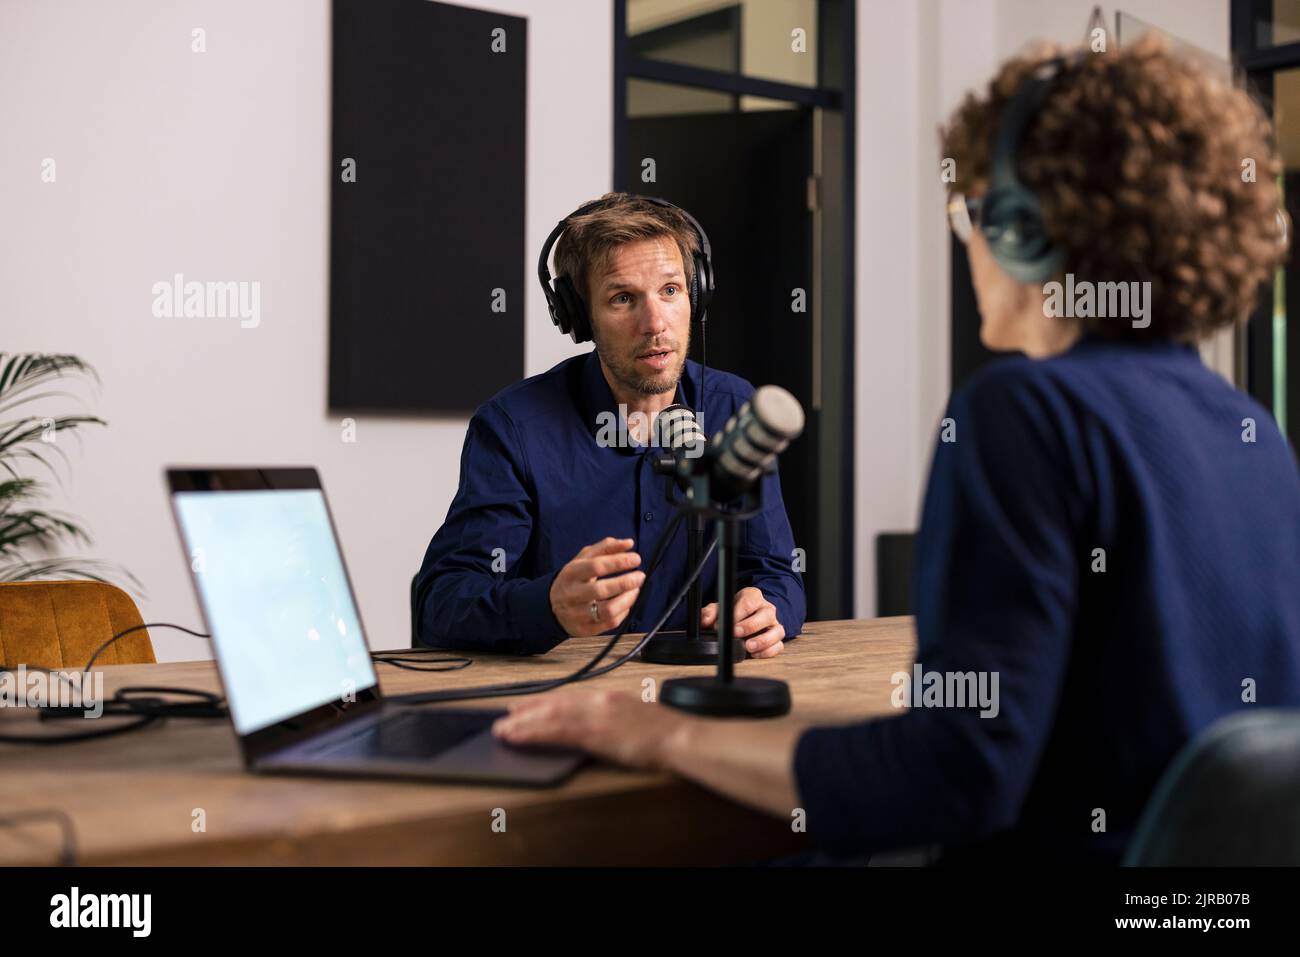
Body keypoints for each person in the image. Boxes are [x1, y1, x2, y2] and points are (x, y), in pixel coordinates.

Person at [491, 37, 1300, 864]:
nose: (967, 242)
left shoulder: (1025, 412)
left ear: (1021, 230)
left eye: (972, 212)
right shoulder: (1251, 432)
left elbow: (954, 773)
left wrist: (660, 733)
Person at [414, 193, 805, 657]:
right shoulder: (513, 428)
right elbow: (440, 604)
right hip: (565, 707)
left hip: (697, 702)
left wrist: (769, 607)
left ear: (697, 295)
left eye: (670, 290)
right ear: (580, 318)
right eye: (623, 298)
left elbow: (777, 573)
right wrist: (548, 606)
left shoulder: (735, 411)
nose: (655, 323)